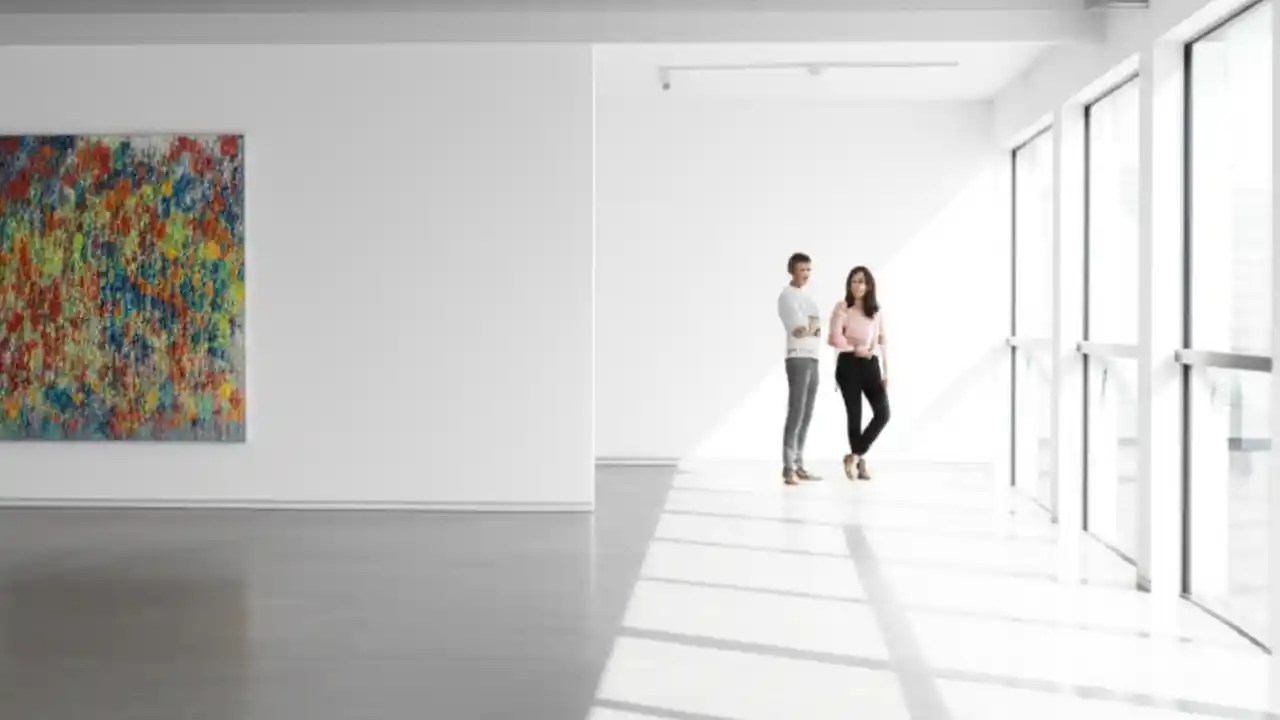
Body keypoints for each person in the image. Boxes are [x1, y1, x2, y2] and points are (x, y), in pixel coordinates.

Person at [828, 266, 890, 481]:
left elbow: (882, 341)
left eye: (862, 281)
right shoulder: (843, 307)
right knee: (855, 416)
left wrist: (886, 371)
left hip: (871, 365)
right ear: (849, 284)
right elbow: (834, 338)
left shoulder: (875, 310)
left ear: (869, 285)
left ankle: (854, 456)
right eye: (854, 281)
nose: (858, 286)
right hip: (848, 366)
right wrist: (855, 348)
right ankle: (860, 461)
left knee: (883, 414)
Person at [777, 252, 822, 486]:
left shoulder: (808, 298)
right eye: (802, 269)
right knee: (796, 411)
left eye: (808, 269)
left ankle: (798, 464)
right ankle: (788, 468)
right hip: (797, 357)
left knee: (807, 413)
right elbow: (798, 329)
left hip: (813, 357)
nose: (806, 274)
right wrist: (809, 327)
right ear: (791, 271)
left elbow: (816, 328)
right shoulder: (786, 296)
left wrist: (810, 327)